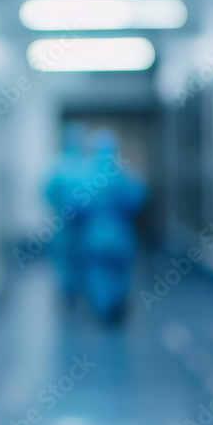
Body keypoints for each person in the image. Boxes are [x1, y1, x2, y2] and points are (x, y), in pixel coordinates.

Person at [80, 129, 146, 323]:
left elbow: (73, 205)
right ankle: (116, 307)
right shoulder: (122, 175)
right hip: (120, 236)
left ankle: (102, 309)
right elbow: (139, 197)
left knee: (98, 273)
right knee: (119, 272)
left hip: (94, 236)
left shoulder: (86, 176)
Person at [44, 122, 88, 302]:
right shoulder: (66, 165)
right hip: (65, 224)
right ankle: (69, 292)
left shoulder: (78, 165)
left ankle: (74, 291)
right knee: (66, 259)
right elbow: (47, 192)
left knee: (77, 259)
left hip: (78, 225)